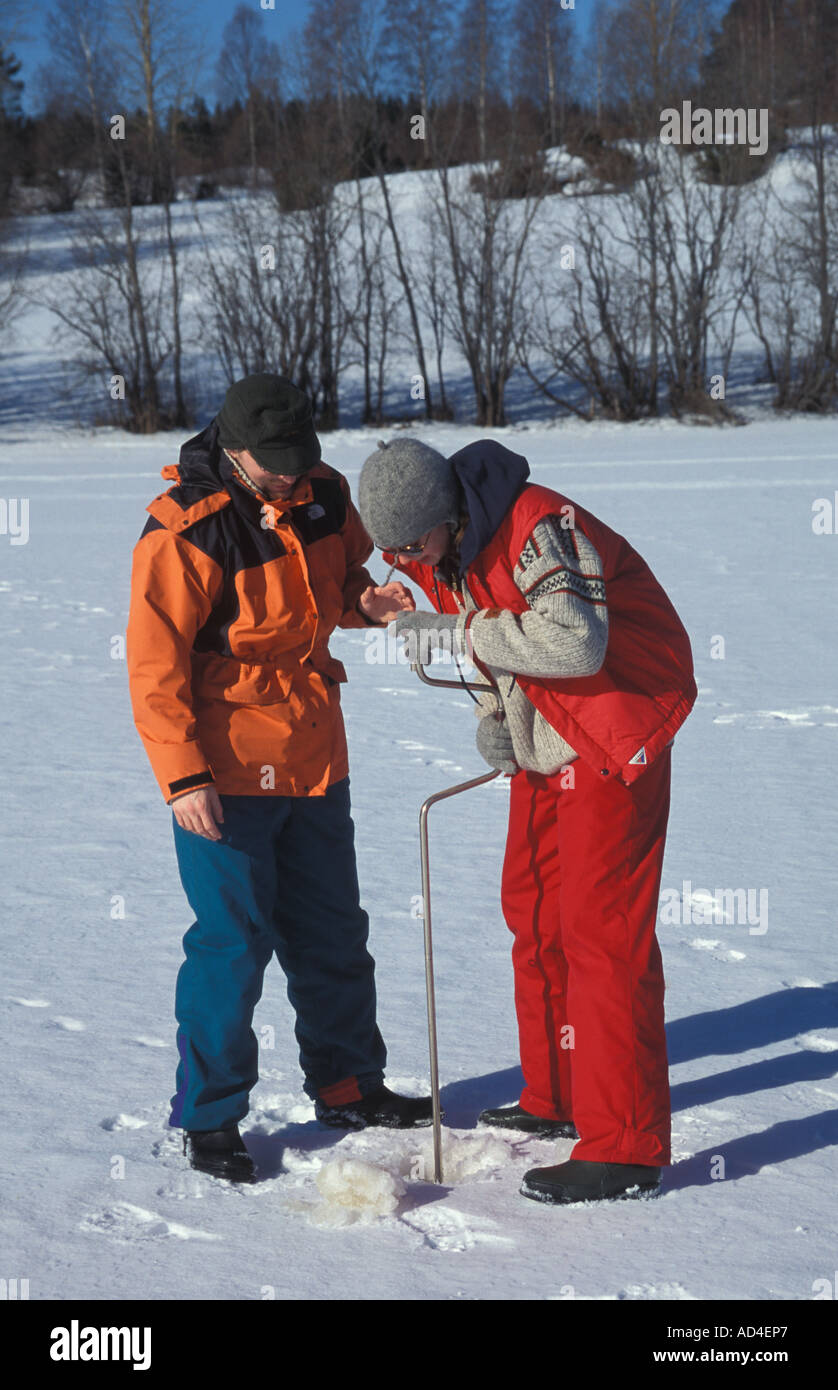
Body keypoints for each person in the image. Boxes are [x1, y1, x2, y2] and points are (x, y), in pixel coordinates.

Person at [357, 436, 697, 1205]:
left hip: (615, 723)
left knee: (601, 933)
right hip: (547, 734)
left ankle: (625, 1146)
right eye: (392, 550)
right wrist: (492, 715)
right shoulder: (437, 554)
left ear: (444, 512)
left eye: (411, 543)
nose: (405, 559)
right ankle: (558, 1092)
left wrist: (461, 634)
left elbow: (576, 641)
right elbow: (490, 644)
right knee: (534, 911)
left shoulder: (540, 525)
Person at [126, 374, 430, 1184]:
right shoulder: (183, 531)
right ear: (232, 451)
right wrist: (183, 778)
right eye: (275, 468)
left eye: (301, 462)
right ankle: (211, 1116)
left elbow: (345, 587)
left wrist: (375, 603)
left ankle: (349, 1085)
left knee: (335, 934)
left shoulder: (326, 496)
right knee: (232, 949)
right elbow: (154, 673)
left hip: (315, 759)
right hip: (225, 777)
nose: (292, 481)